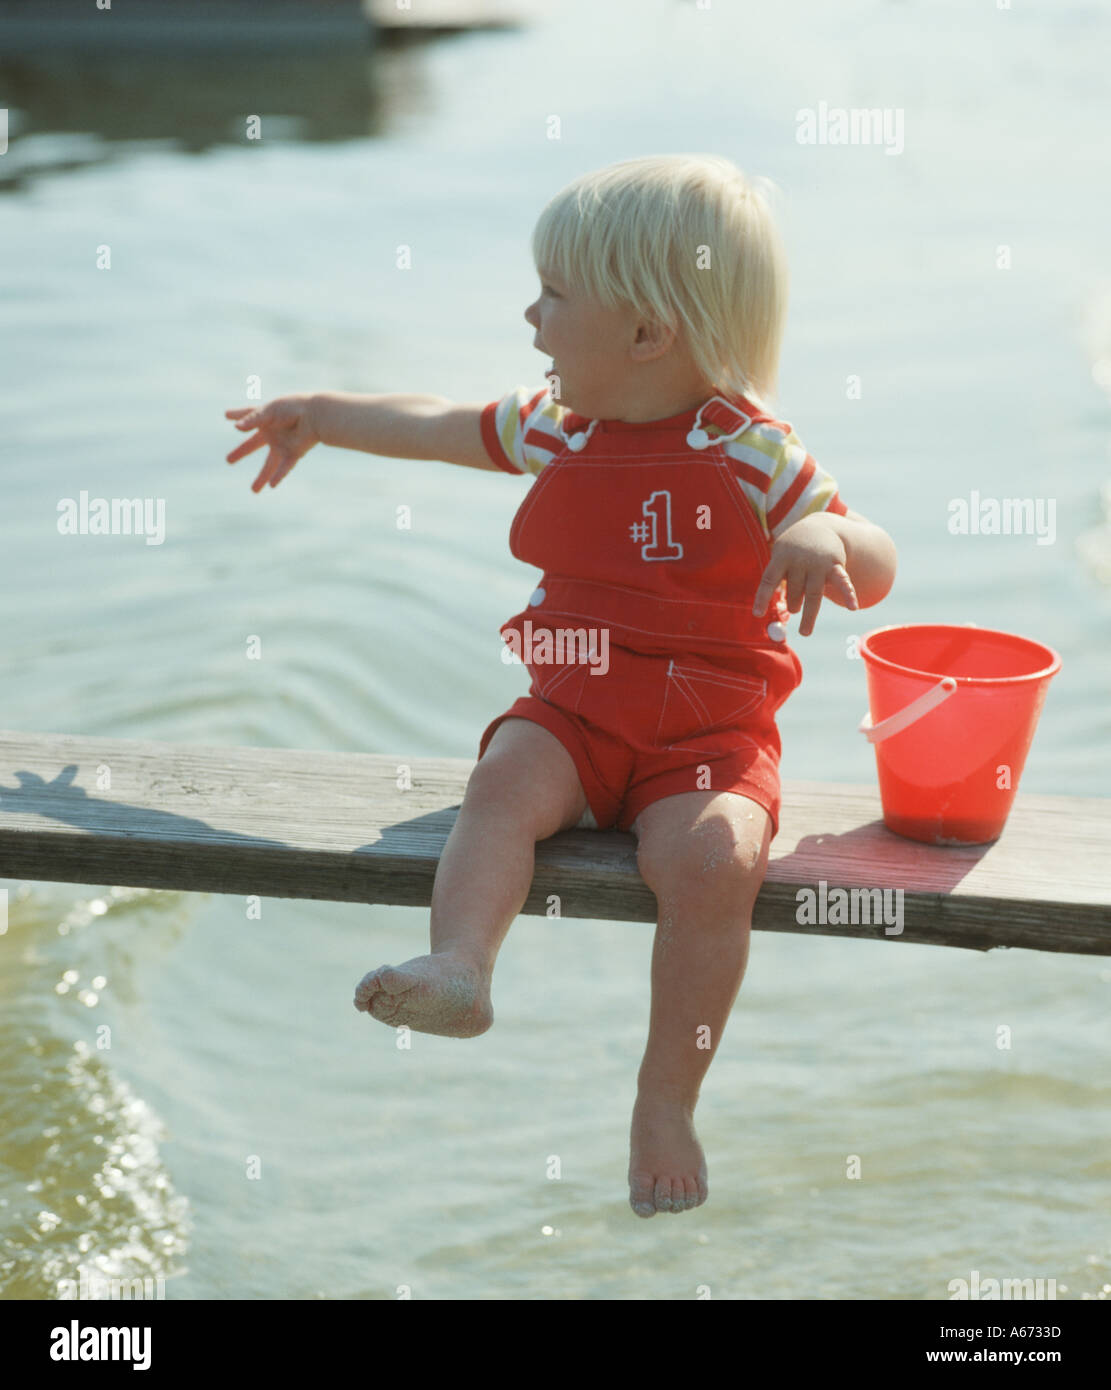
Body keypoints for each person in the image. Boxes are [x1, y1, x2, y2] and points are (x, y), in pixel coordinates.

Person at [225, 153, 897, 1218]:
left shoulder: (754, 451)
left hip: (702, 749)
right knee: (500, 781)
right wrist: (322, 411)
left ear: (645, 333)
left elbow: (876, 558)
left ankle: (664, 1098)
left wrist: (826, 534)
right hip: (573, 719)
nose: (529, 315)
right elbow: (439, 423)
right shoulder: (558, 424)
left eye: (555, 295)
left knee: (715, 859)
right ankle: (460, 969)